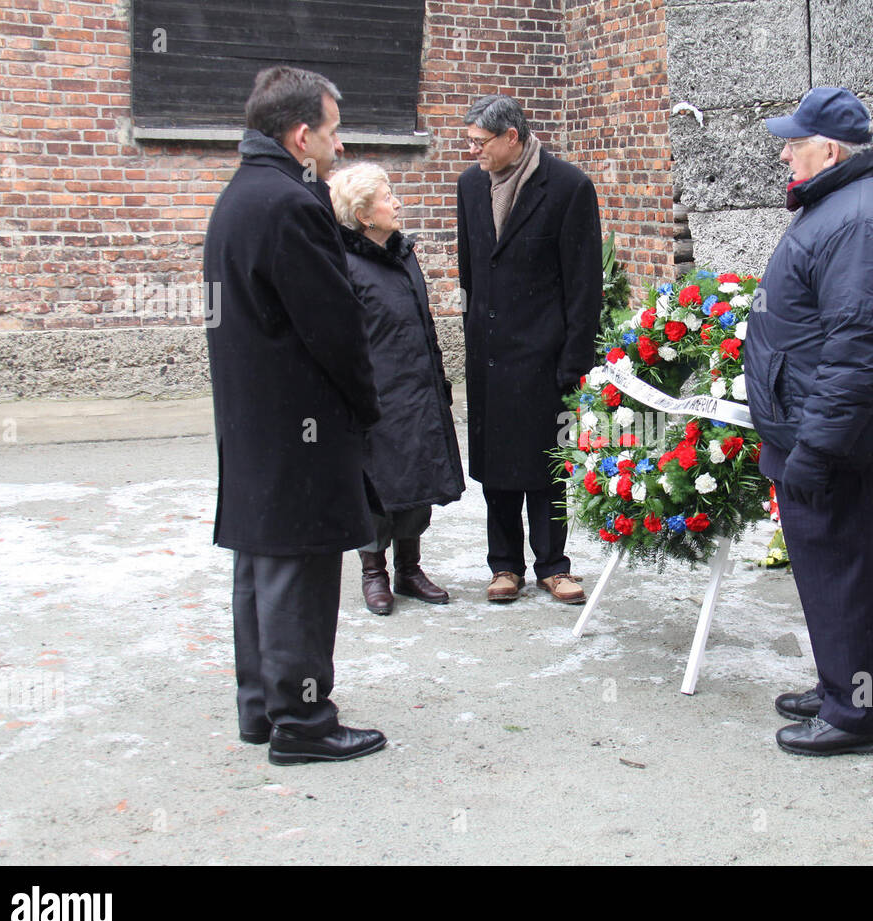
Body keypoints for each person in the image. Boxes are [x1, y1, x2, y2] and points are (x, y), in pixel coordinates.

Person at [203, 66, 387, 765]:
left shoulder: (239, 197)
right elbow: (334, 327)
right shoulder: (289, 203)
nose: (339, 148)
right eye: (334, 131)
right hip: (298, 420)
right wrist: (367, 408)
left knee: (263, 564)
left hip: (255, 419)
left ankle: (264, 710)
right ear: (302, 133)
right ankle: (303, 723)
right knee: (299, 572)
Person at [745, 87, 873, 757]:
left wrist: (816, 449)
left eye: (793, 143)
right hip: (811, 426)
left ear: (829, 148)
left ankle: (854, 719)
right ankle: (840, 687)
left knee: (838, 571)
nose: (785, 154)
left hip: (825, 435)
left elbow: (858, 353)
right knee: (829, 569)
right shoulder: (847, 204)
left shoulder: (857, 221)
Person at [455, 94, 602, 604]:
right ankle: (504, 567)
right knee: (496, 465)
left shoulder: (568, 187)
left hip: (544, 354)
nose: (473, 152)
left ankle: (553, 566)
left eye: (480, 143)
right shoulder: (471, 186)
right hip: (490, 353)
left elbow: (584, 285)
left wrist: (574, 361)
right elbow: (471, 269)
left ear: (511, 138)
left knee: (546, 465)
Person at [328, 162, 465, 614]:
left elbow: (423, 323)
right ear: (365, 214)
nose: (397, 203)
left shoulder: (404, 254)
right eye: (388, 197)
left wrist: (437, 381)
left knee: (419, 474)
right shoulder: (344, 263)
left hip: (417, 387)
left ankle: (409, 569)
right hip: (375, 393)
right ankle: (374, 573)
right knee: (376, 483)